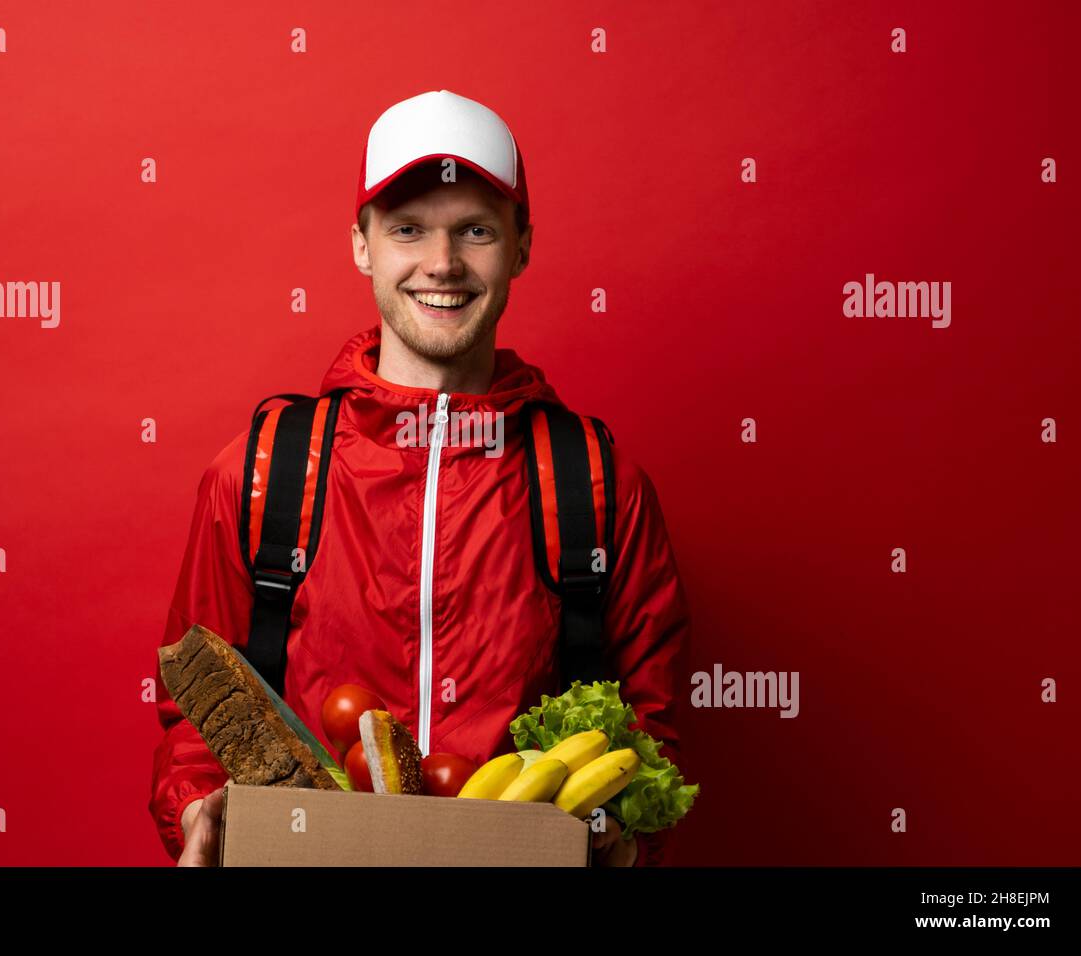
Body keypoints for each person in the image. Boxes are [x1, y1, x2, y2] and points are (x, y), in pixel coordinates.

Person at [149, 90, 691, 867]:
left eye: (475, 230)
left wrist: (625, 840)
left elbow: (649, 729)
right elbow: (196, 712)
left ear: (522, 245)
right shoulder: (265, 471)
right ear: (362, 245)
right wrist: (194, 811)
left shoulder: (599, 485)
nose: (442, 264)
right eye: (408, 230)